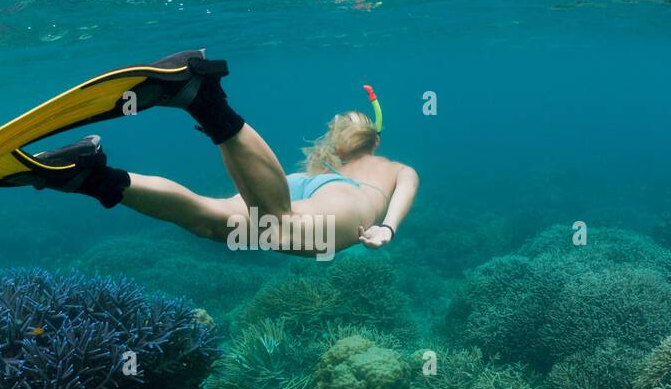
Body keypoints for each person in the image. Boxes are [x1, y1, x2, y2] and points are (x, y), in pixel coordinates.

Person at [32, 72, 419, 256]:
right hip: (344, 200)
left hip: (302, 187)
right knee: (276, 227)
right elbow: (404, 192)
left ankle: (92, 175)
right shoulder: (396, 167)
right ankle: (202, 99)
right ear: (377, 140)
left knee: (211, 223)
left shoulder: (326, 167)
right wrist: (387, 229)